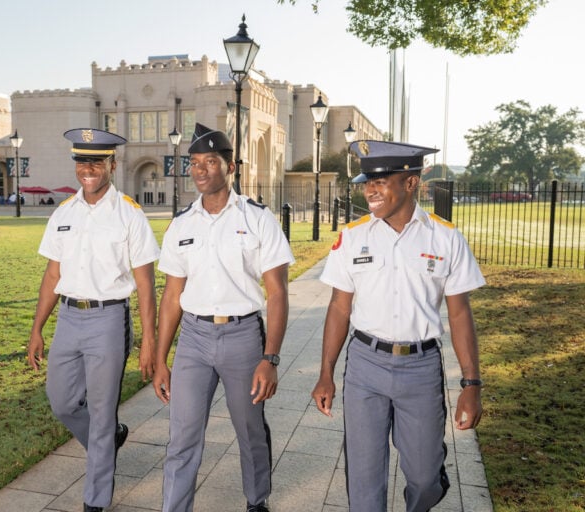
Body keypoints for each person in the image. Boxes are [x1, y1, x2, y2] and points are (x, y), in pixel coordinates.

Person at [311, 140, 485, 512]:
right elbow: (339, 307)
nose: (370, 191)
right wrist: (326, 373)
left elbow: (459, 314)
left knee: (424, 479)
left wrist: (471, 384)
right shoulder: (353, 236)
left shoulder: (445, 238)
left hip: (420, 367)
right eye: (367, 183)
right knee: (363, 478)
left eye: (381, 181)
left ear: (411, 183)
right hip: (365, 364)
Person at [153, 123, 294, 512]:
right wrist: (161, 359)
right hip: (194, 339)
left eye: (210, 162)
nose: (200, 170)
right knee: (182, 435)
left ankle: (257, 500)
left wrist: (270, 358)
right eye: (194, 163)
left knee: (250, 429)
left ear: (230, 166)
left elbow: (278, 293)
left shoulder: (257, 218)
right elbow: (172, 297)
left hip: (243, 337)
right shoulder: (181, 223)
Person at [27, 128, 160, 512]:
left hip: (109, 320)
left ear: (112, 165)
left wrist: (149, 341)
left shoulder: (129, 214)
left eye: (96, 162)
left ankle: (95, 499)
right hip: (68, 318)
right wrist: (37, 329)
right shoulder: (63, 213)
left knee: (101, 412)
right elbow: (53, 275)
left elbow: (146, 284)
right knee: (62, 402)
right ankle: (109, 439)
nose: (88, 169)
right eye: (82, 162)